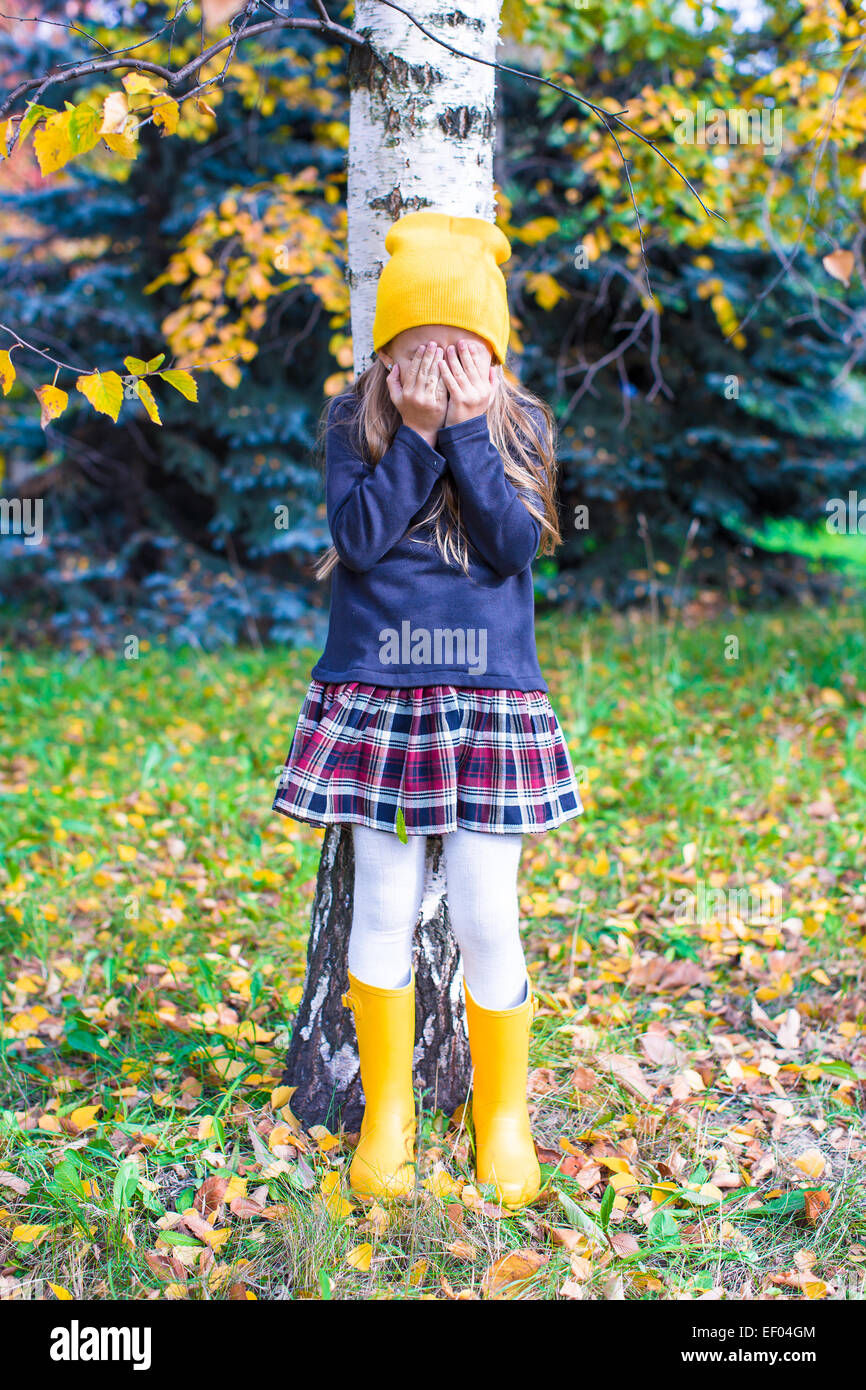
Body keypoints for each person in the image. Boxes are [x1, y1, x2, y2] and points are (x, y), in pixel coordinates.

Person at [273, 210, 584, 1208]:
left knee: (489, 913)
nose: (441, 366)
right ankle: (390, 1117)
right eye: (421, 348)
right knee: (384, 905)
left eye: (462, 350)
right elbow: (358, 542)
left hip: (489, 697)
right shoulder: (348, 417)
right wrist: (410, 434)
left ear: (489, 350)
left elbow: (510, 545)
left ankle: (502, 1115)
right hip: (380, 694)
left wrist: (462, 432)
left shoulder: (519, 420)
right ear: (390, 347)